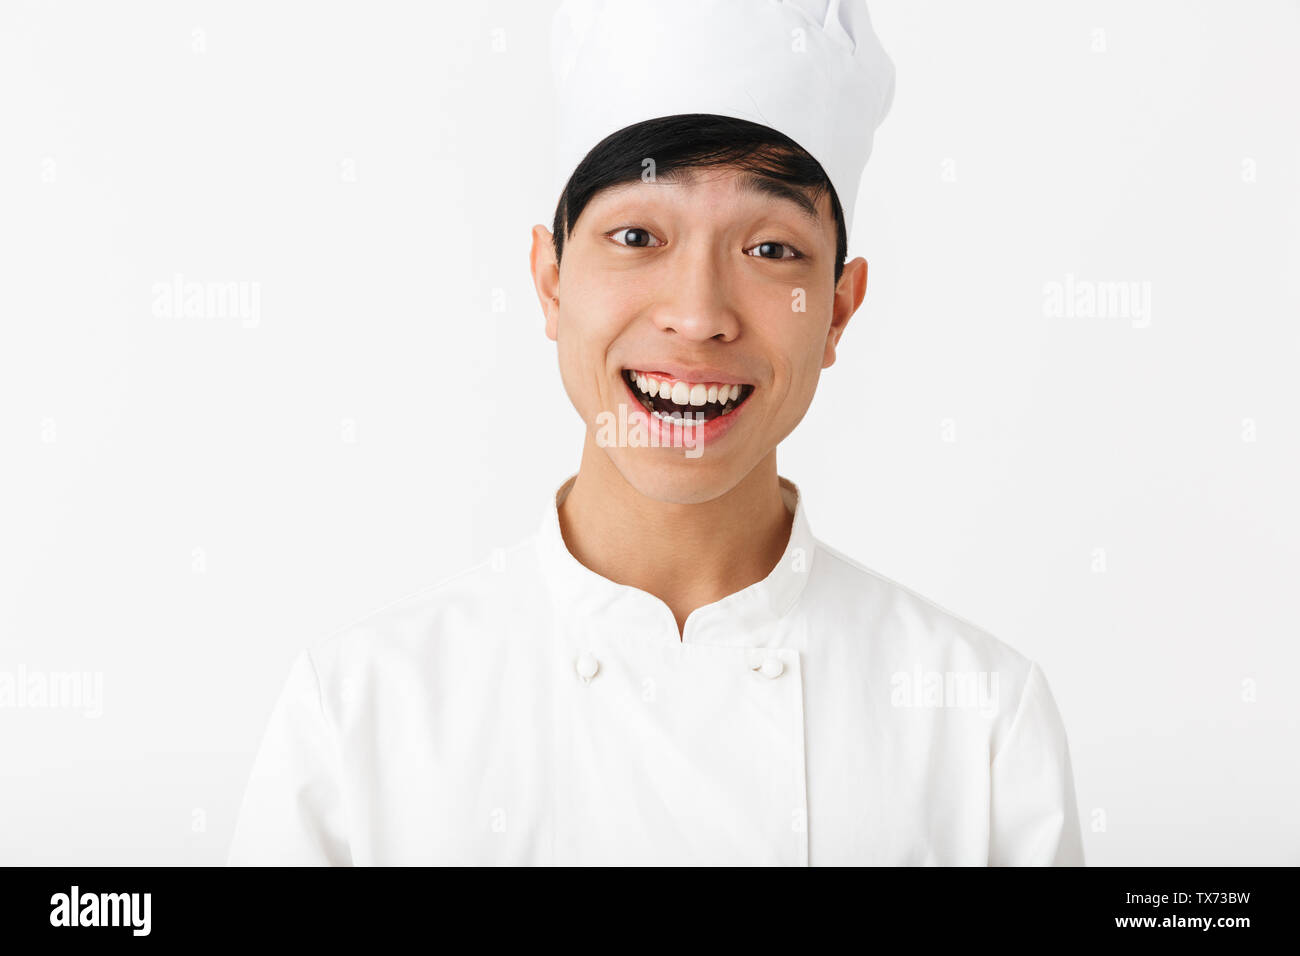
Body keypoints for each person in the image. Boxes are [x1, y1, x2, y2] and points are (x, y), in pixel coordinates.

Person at [228, 0, 1084, 866]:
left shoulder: (978, 724)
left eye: (772, 249)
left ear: (837, 309)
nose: (697, 314)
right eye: (637, 234)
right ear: (551, 282)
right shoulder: (360, 718)